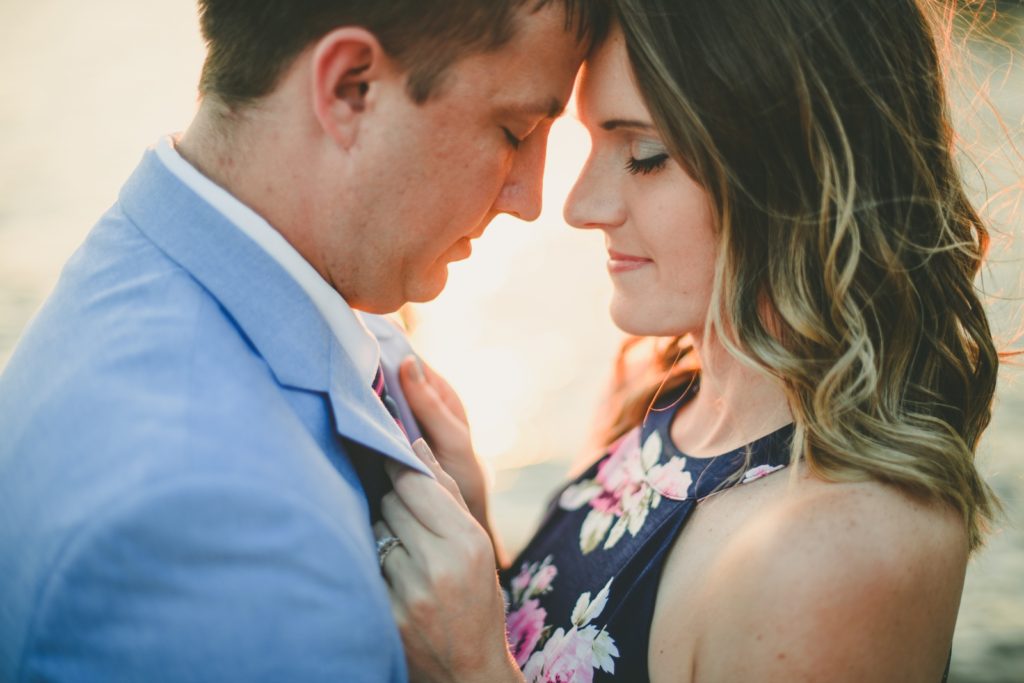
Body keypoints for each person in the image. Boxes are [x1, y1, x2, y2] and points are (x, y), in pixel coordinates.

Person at [377, 0, 1002, 681]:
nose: (581, 205)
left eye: (645, 155)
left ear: (801, 175)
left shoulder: (837, 551)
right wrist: (479, 545)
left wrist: (470, 670)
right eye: (593, 145)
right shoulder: (672, 403)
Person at [0, 2, 612, 681]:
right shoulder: (218, 531)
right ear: (351, 88)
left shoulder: (144, 272)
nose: (529, 198)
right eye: (514, 129)